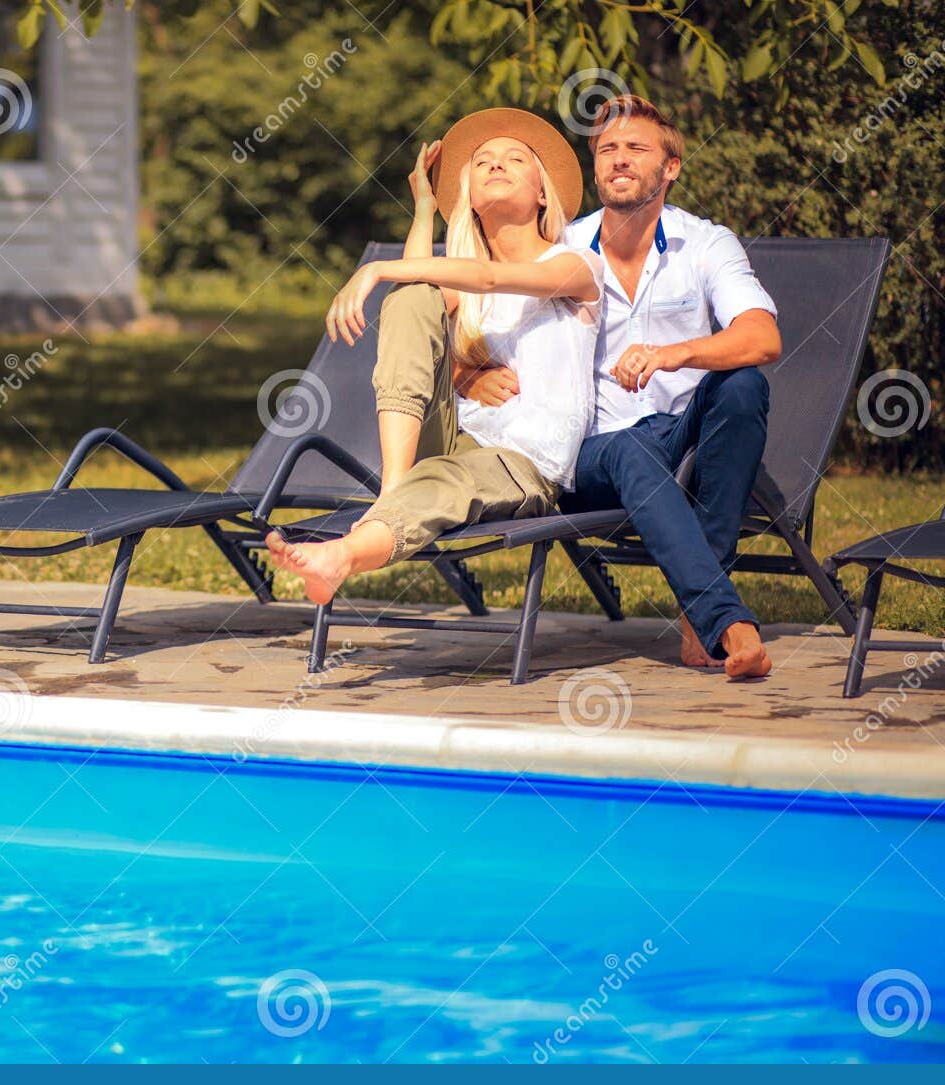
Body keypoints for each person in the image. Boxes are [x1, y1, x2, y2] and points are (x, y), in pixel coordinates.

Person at [457, 95, 778, 679]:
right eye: (607, 150)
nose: (620, 160)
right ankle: (724, 621)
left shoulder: (706, 244)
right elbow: (478, 325)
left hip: (686, 443)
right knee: (629, 447)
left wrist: (674, 354)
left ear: (671, 167)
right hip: (593, 452)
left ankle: (695, 609)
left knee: (742, 385)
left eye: (637, 149)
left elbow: (761, 336)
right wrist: (468, 374)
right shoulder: (562, 252)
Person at [263, 108, 604, 615]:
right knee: (412, 298)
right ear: (468, 195)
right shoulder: (464, 280)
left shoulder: (576, 265)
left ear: (541, 194)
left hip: (525, 462)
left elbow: (487, 279)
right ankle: (394, 490)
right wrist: (425, 210)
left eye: (515, 158)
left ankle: (342, 555)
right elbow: (417, 298)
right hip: (452, 440)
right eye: (482, 161)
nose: (495, 163)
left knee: (449, 480)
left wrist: (376, 268)